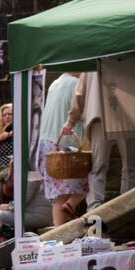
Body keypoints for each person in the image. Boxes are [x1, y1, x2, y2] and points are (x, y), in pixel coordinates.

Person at [61, 71, 135, 208]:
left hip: (99, 115)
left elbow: (80, 93)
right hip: (126, 115)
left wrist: (71, 121)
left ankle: (94, 209)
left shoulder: (93, 57)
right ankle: (128, 205)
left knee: (98, 167)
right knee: (129, 166)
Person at [37, 72, 88, 227]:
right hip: (67, 143)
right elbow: (81, 112)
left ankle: (59, 234)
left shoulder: (54, 84)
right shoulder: (76, 84)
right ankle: (71, 205)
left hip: (47, 144)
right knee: (89, 182)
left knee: (59, 196)